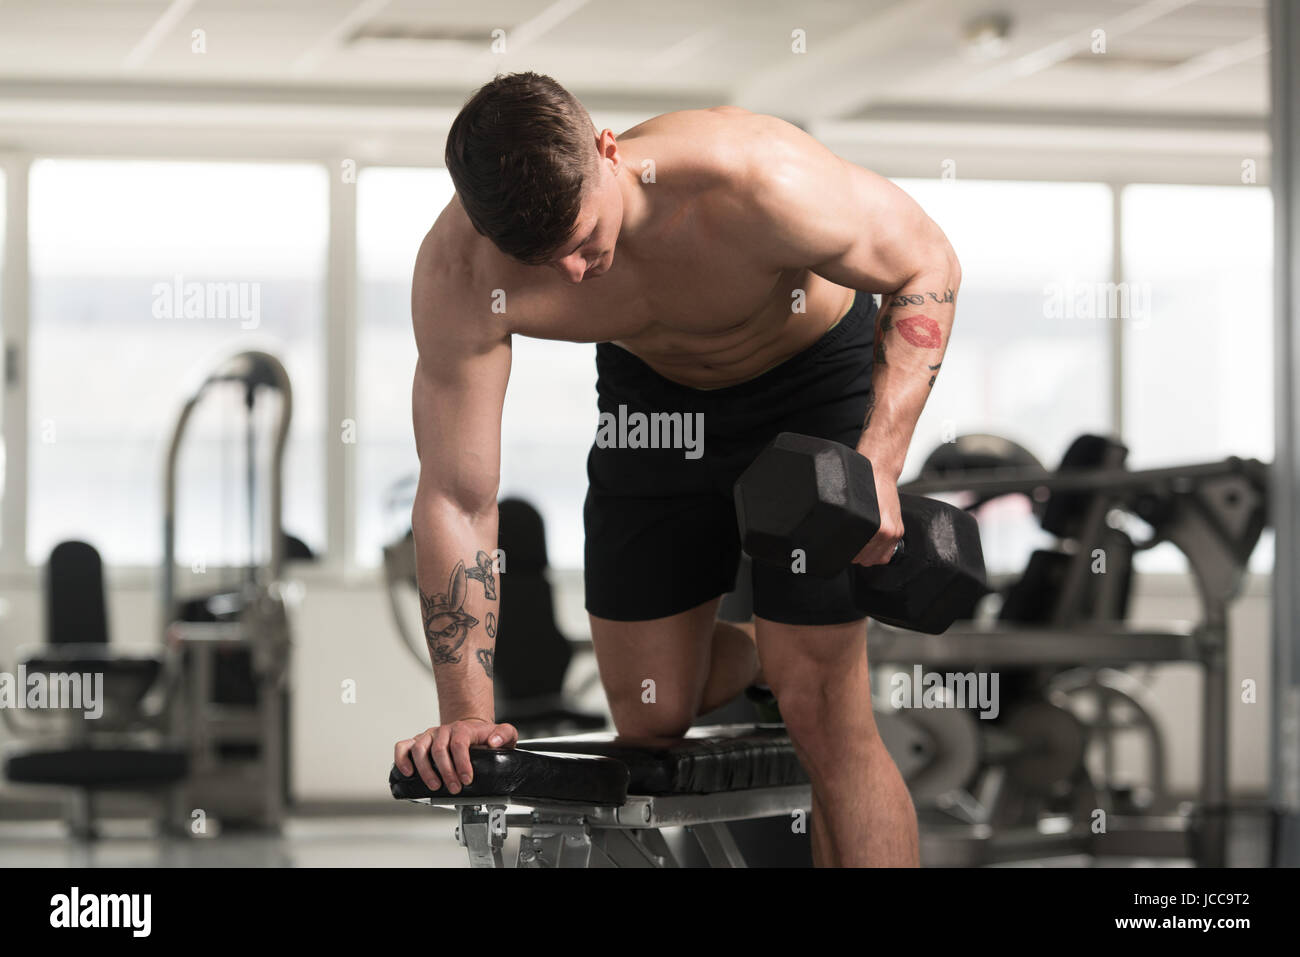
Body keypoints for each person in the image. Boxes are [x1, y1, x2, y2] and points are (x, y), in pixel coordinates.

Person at [392, 72, 960, 867]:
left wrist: (879, 458)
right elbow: (457, 493)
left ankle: (797, 663)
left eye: (584, 237)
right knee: (649, 712)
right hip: (651, 405)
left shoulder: (753, 175)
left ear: (608, 149)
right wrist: (465, 713)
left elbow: (927, 263)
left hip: (808, 388)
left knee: (824, 709)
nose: (576, 276)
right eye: (543, 259)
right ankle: (767, 648)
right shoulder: (462, 271)